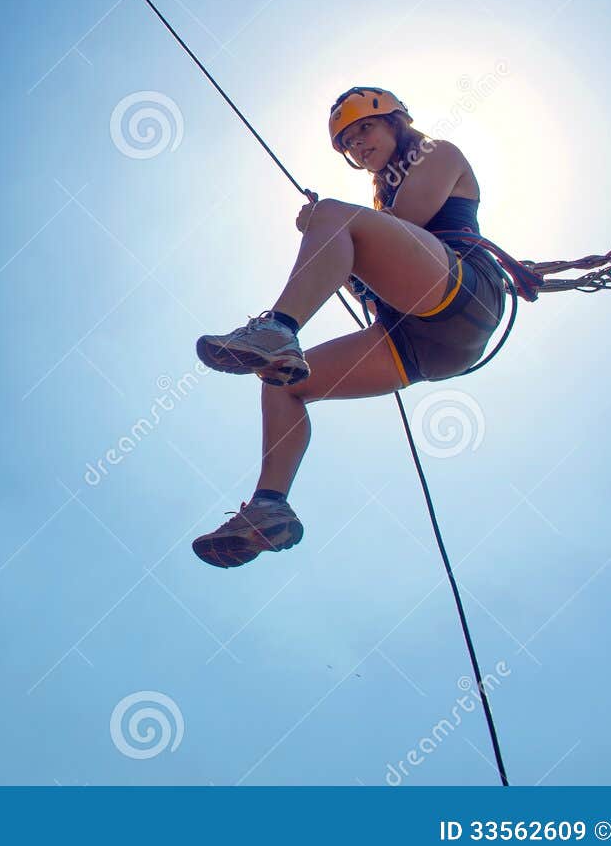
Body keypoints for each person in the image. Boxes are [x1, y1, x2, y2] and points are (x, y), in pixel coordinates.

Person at [190, 87, 506, 568]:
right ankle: (268, 509)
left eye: (366, 129)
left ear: (397, 123)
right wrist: (337, 238)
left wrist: (329, 225)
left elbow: (408, 223)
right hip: (420, 340)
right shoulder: (379, 209)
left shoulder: (438, 154)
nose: (359, 145)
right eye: (349, 142)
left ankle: (277, 328)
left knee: (334, 213)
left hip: (465, 297)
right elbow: (370, 278)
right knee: (281, 383)